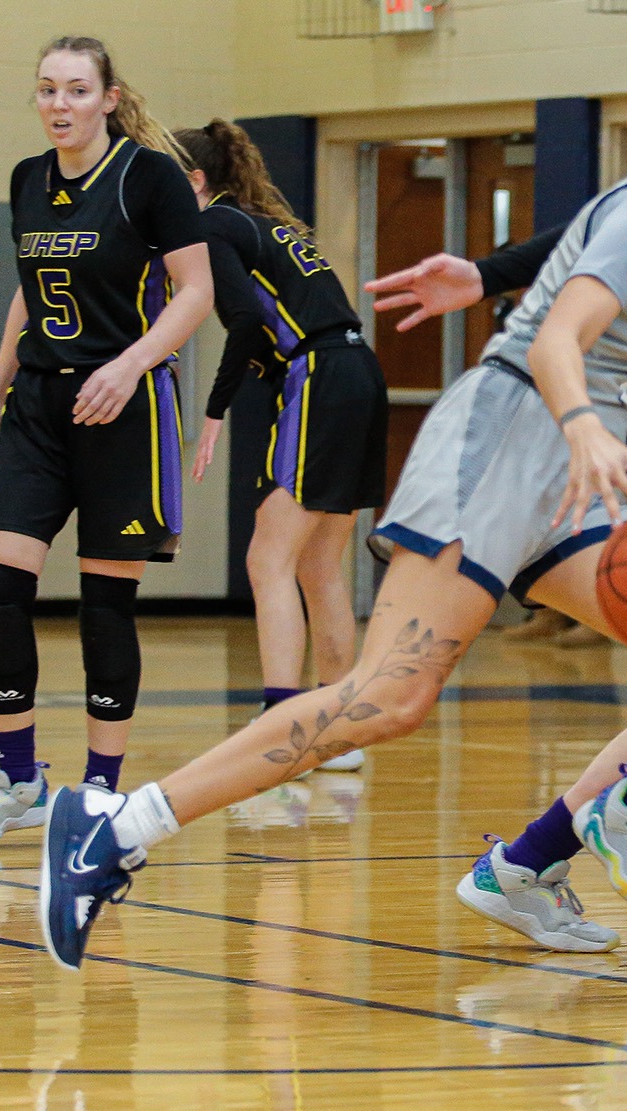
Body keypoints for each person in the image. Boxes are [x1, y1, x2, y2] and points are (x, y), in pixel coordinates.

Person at [40, 63, 627, 1002]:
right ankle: (119, 827)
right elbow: (553, 336)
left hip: (567, 471)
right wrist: (586, 427)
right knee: (386, 699)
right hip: (503, 445)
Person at [0, 36, 212, 845]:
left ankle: (98, 795)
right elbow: (30, 291)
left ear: (109, 98)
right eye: (48, 90)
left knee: (104, 607)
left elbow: (194, 294)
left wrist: (129, 366)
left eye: (77, 90)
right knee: (0, 592)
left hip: (122, 407)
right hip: (39, 408)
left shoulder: (148, 177)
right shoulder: (28, 178)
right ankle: (17, 776)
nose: (60, 104)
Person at [178, 119, 384, 774]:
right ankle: (336, 726)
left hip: (321, 375)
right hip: (357, 370)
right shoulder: (266, 228)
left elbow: (244, 323)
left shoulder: (214, 227)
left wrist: (213, 410)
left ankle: (280, 719)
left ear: (194, 181)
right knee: (319, 567)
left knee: (269, 556)